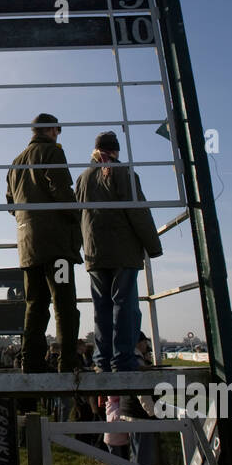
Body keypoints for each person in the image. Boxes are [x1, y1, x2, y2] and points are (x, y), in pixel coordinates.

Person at [74, 131, 162, 374]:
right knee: (125, 306)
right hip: (123, 252)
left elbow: (76, 215)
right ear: (116, 151)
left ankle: (101, 360)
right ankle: (122, 360)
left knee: (101, 307)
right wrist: (153, 247)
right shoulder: (124, 173)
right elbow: (139, 212)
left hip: (94, 254)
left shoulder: (83, 178)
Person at [6, 113, 82, 374]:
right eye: (57, 130)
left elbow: (10, 204)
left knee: (35, 304)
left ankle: (31, 362)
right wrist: (78, 215)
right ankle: (68, 362)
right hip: (57, 246)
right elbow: (60, 190)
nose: (58, 135)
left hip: (28, 246)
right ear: (50, 130)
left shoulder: (15, 163)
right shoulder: (52, 153)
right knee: (64, 303)